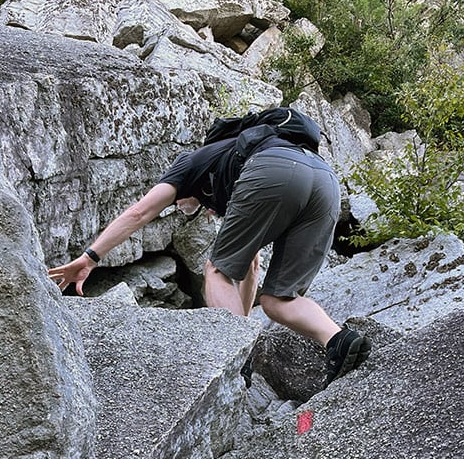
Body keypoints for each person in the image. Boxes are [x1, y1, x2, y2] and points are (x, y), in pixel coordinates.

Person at [47, 117, 370, 386]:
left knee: (215, 269)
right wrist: (244, 329)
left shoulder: (190, 163)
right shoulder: (232, 165)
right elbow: (251, 265)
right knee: (279, 299)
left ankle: (233, 361)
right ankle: (339, 341)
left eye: (180, 206)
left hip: (272, 169)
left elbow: (139, 214)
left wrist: (89, 258)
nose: (185, 209)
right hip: (326, 180)